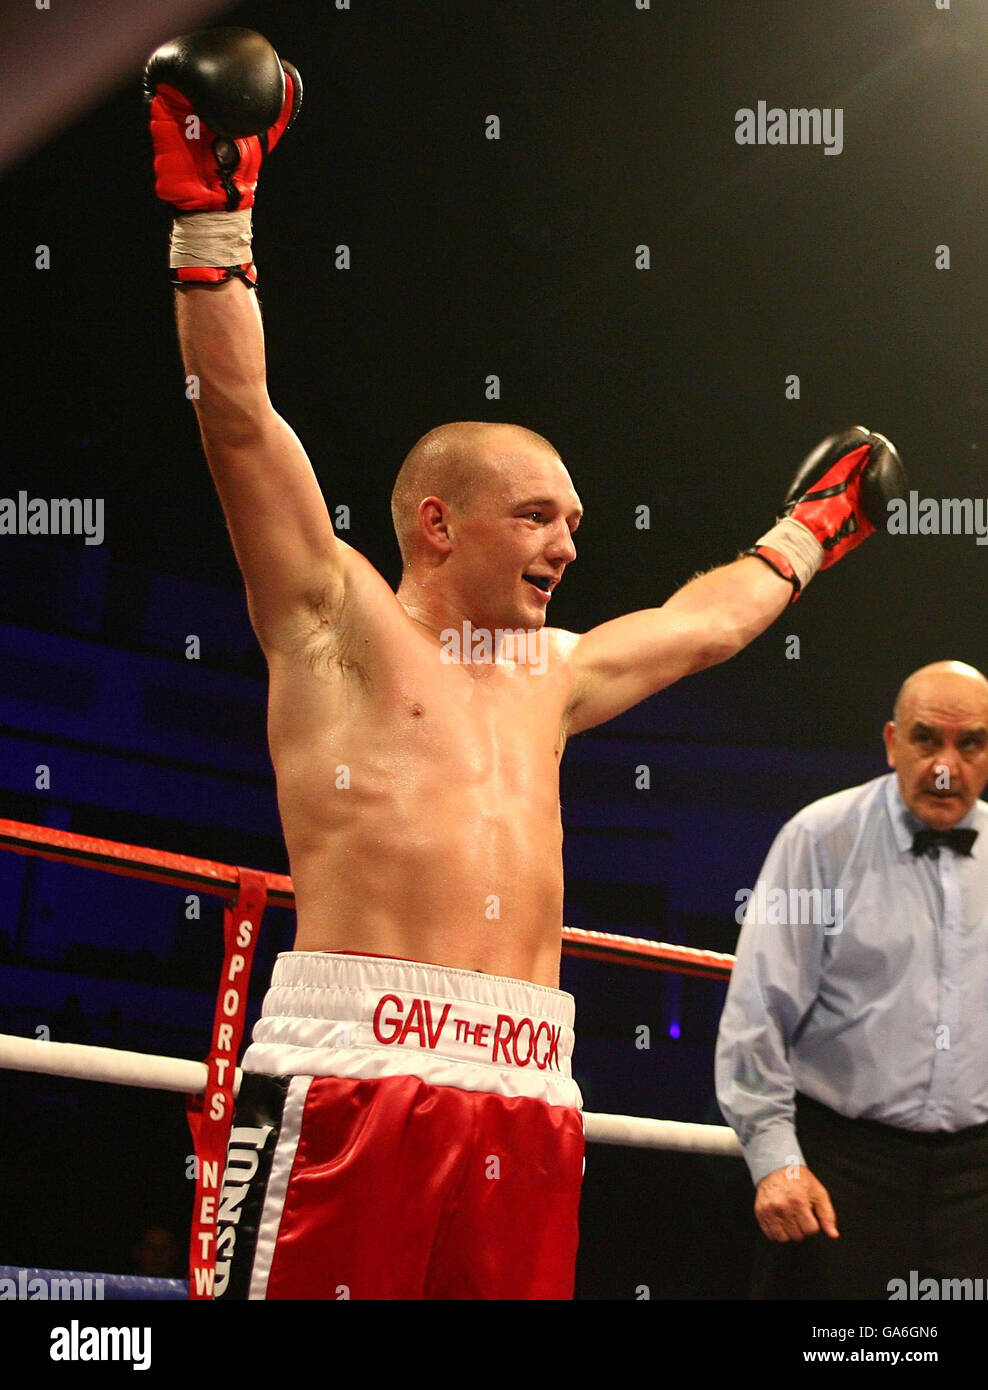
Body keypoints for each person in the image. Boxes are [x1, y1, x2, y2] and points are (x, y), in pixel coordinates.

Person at [144, 27, 904, 1300]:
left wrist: (813, 528)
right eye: (538, 516)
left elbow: (708, 619)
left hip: (527, 1082)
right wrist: (212, 213)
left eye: (575, 524)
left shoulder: (552, 671)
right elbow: (238, 418)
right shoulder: (335, 619)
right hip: (355, 1066)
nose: (568, 542)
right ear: (438, 522)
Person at [716, 660, 988, 1300]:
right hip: (843, 1167)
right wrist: (776, 1160)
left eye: (969, 743)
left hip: (978, 1179)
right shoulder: (820, 839)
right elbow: (756, 1018)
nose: (946, 766)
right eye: (927, 740)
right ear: (893, 742)